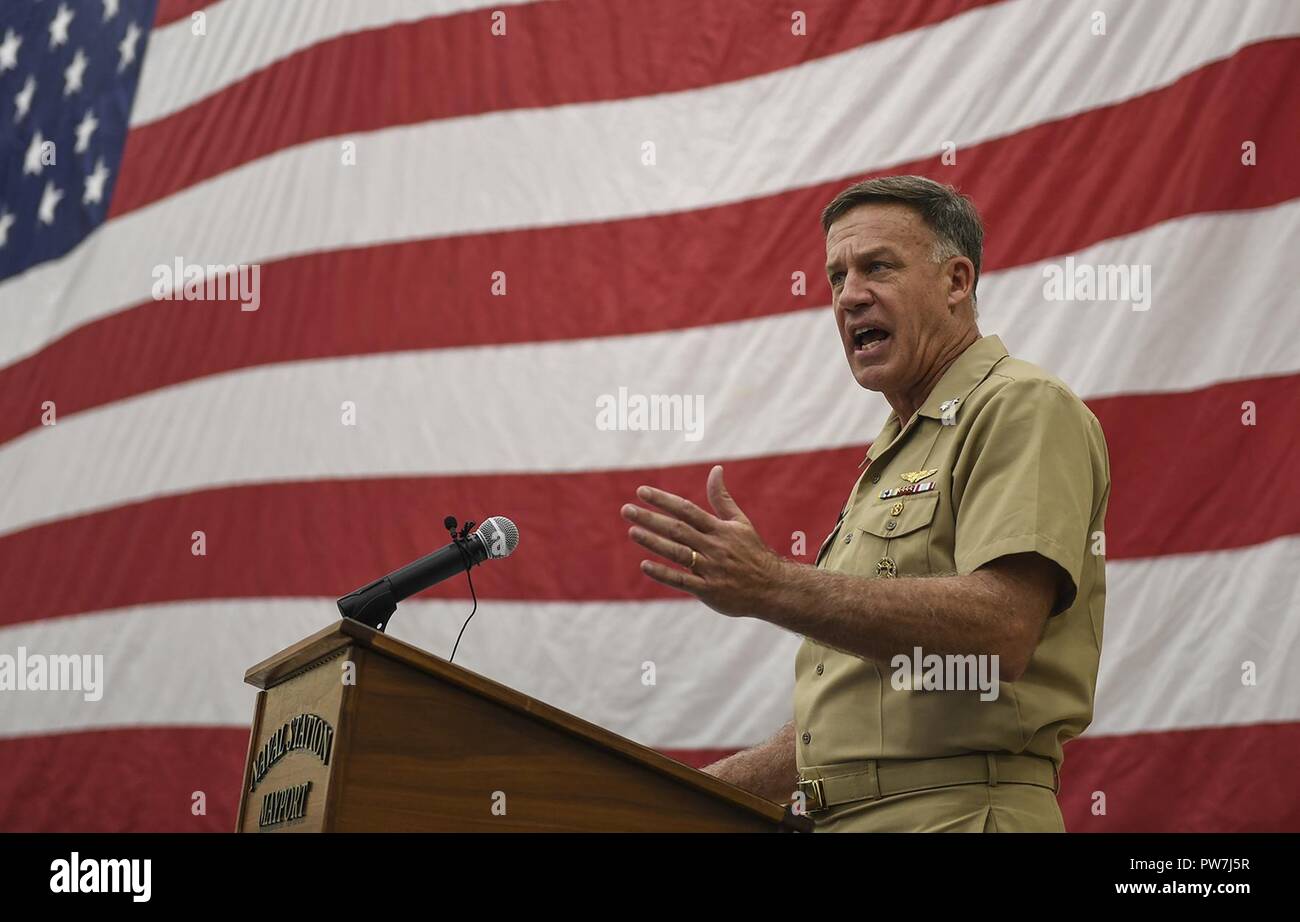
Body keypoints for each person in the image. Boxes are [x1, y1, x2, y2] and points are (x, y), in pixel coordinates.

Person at [620, 175, 1110, 832]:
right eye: (836, 277)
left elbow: (999, 635)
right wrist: (669, 794)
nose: (849, 296)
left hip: (957, 815)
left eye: (877, 266)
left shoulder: (1020, 405)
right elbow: (862, 714)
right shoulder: (898, 450)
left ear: (956, 283)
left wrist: (771, 585)